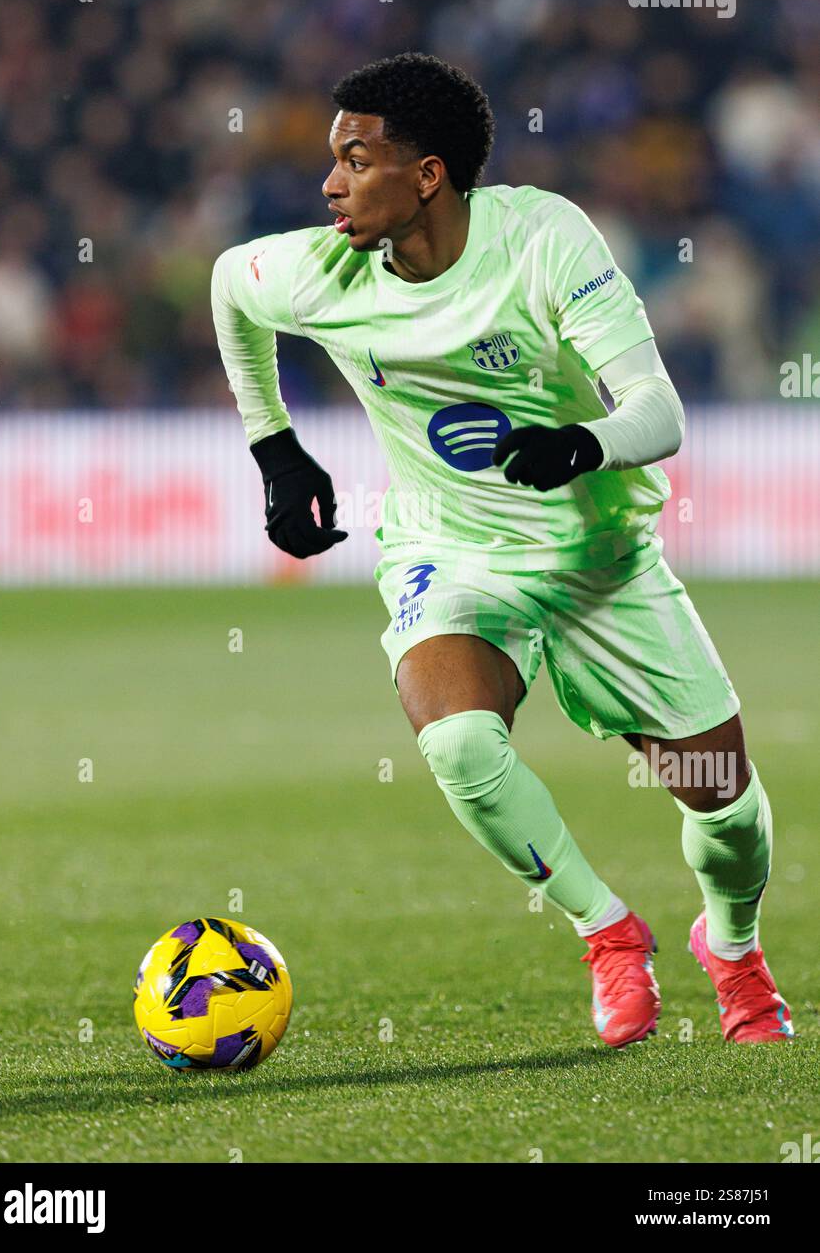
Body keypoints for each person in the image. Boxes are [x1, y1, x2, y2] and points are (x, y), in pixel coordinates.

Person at [211, 52, 793, 1047]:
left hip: (599, 561)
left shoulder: (541, 239)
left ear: (426, 174)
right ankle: (607, 933)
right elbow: (230, 287)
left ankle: (730, 948)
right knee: (460, 743)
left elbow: (658, 410)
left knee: (726, 815)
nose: (329, 183)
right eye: (330, 159)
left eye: (355, 158)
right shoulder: (320, 270)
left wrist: (582, 443)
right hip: (451, 549)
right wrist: (274, 448)